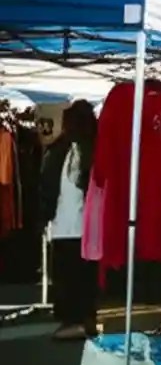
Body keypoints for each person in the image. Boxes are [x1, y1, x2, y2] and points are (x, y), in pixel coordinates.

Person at [41, 100, 99, 340]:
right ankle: (82, 319)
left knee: (69, 274)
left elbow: (47, 186)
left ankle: (74, 319)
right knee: (82, 275)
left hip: (66, 224)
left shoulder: (61, 151)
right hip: (82, 224)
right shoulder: (90, 150)